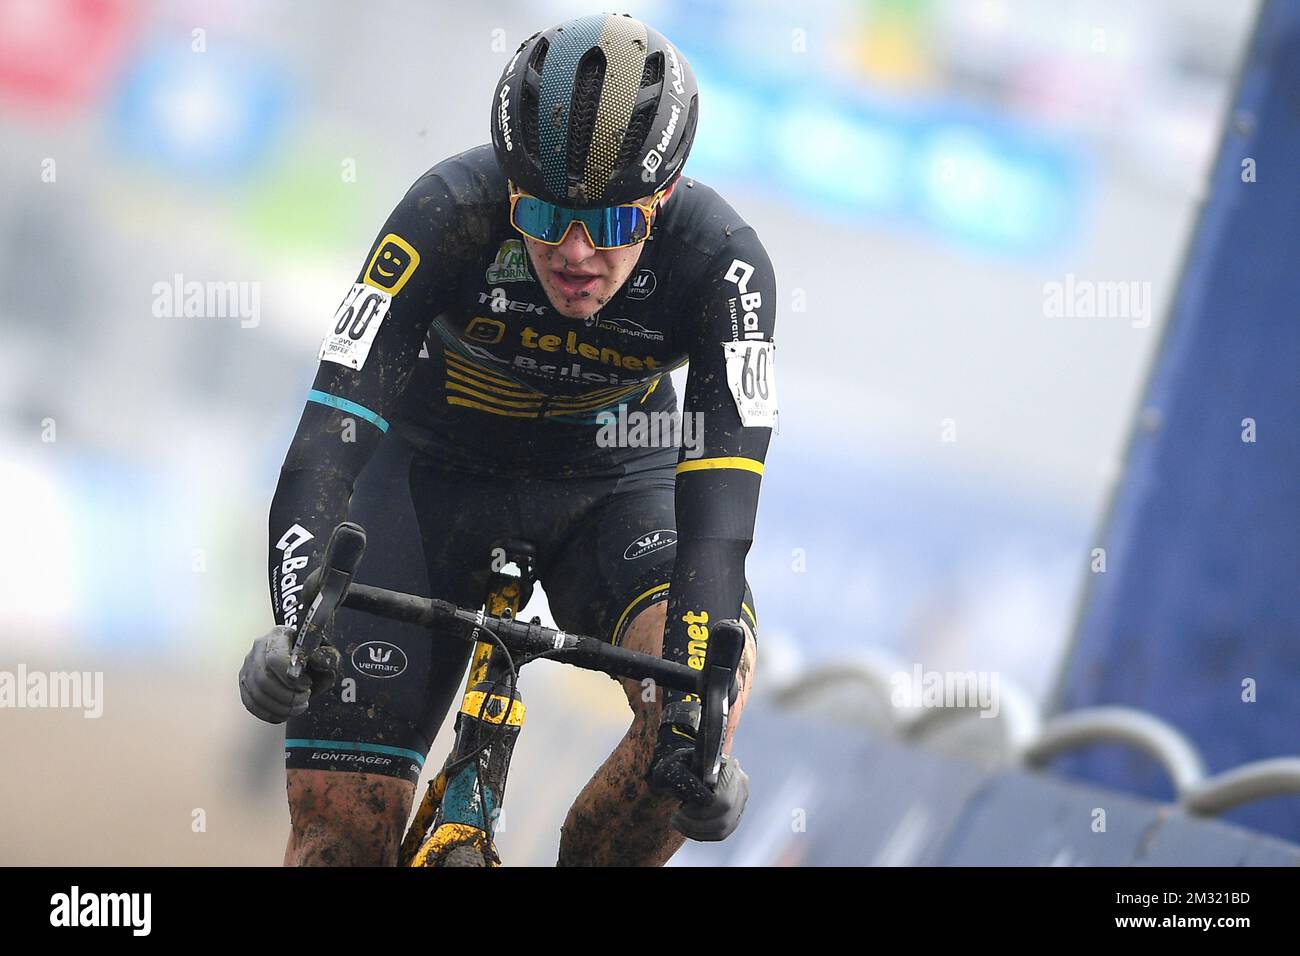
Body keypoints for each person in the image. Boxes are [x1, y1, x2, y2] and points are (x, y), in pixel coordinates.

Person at [238, 12, 779, 866]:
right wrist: (294, 625)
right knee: (341, 839)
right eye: (544, 212)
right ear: (508, 184)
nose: (572, 253)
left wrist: (696, 737)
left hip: (613, 491)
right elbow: (328, 439)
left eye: (609, 225)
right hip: (425, 481)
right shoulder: (446, 209)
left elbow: (719, 517)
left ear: (664, 197)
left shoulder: (723, 266)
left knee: (710, 682)